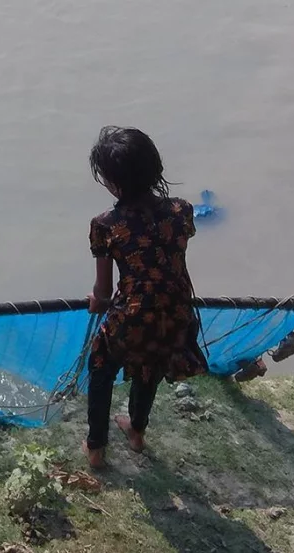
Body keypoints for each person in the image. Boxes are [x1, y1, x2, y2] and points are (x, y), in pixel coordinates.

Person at [83, 126, 208, 468]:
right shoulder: (182, 211)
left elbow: (104, 293)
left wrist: (96, 301)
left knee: (101, 363)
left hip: (134, 314)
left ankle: (95, 448)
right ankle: (136, 432)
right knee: (150, 362)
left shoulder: (106, 224)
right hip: (177, 313)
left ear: (112, 181)